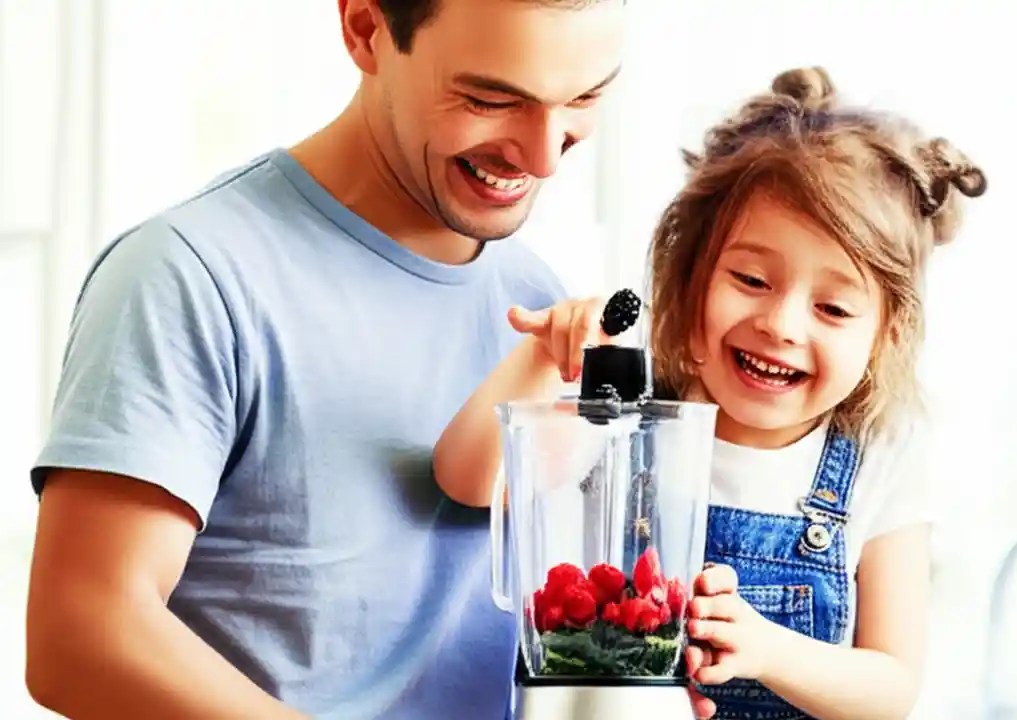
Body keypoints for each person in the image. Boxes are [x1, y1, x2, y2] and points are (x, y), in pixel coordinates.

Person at [23, 0, 625, 718]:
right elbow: (82, 635)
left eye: (585, 96)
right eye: (490, 99)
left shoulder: (536, 299)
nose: (543, 155)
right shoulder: (189, 275)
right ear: (366, 29)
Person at [433, 66, 987, 719]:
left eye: (834, 310)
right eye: (751, 279)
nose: (781, 325)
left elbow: (890, 689)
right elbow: (468, 480)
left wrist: (770, 652)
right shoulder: (627, 419)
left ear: (885, 335)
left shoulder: (878, 458)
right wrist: (541, 354)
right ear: (690, 276)